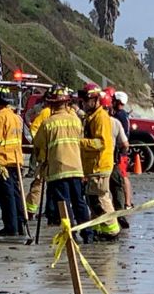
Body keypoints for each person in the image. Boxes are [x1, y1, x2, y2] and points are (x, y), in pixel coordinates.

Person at [32, 87, 94, 243]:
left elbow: (38, 143)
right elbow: (80, 139)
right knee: (80, 202)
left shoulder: (48, 123)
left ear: (52, 104)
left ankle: (70, 234)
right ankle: (88, 234)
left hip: (58, 170)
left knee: (64, 205)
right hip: (76, 169)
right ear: (67, 103)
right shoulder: (76, 120)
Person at [79, 87, 121, 239]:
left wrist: (80, 143)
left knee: (101, 199)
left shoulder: (101, 118)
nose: (83, 103)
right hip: (92, 166)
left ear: (96, 100)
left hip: (100, 165)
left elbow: (100, 143)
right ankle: (99, 228)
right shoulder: (92, 117)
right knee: (92, 200)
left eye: (86, 100)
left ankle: (112, 230)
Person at [0, 89, 25, 237]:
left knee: (6, 196)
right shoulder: (15, 117)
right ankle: (20, 224)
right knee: (15, 195)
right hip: (15, 160)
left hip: (2, 161)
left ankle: (11, 226)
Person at [25, 93, 53, 219]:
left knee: (48, 186)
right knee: (39, 183)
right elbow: (34, 127)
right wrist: (39, 144)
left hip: (56, 158)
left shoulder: (68, 114)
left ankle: (51, 212)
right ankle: (31, 211)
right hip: (47, 157)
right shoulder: (46, 112)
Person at [110, 92, 134, 210]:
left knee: (123, 177)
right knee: (124, 176)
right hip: (122, 151)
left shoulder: (119, 116)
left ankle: (127, 203)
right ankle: (128, 202)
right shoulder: (123, 115)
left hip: (120, 152)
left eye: (113, 100)